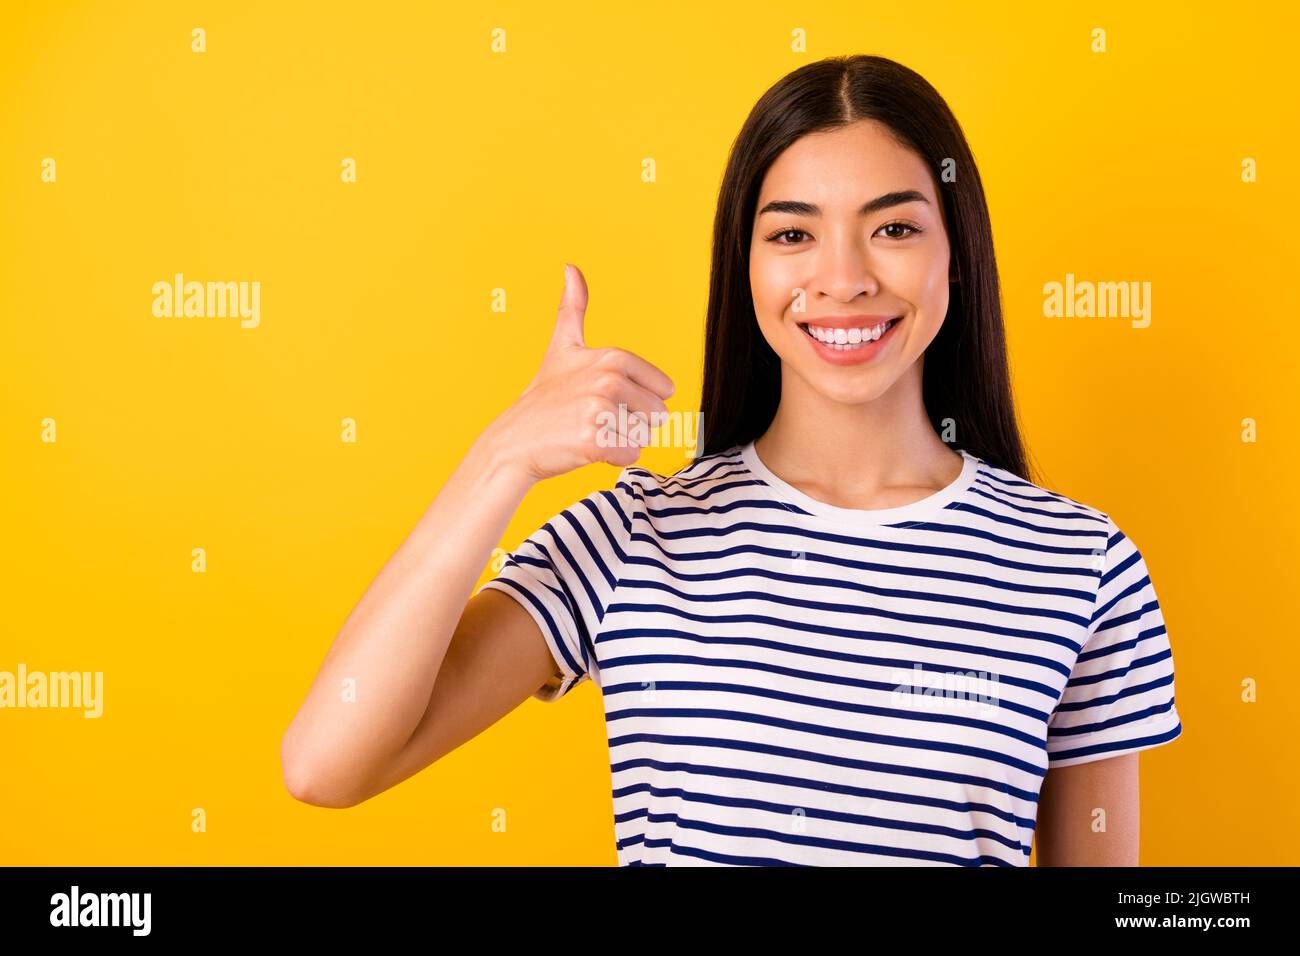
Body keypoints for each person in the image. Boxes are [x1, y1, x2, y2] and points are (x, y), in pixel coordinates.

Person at [281, 54, 1182, 866]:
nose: (843, 278)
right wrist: (501, 457)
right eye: (793, 234)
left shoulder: (1081, 563)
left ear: (959, 253)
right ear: (743, 264)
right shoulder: (634, 536)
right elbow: (326, 763)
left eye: (894, 229)